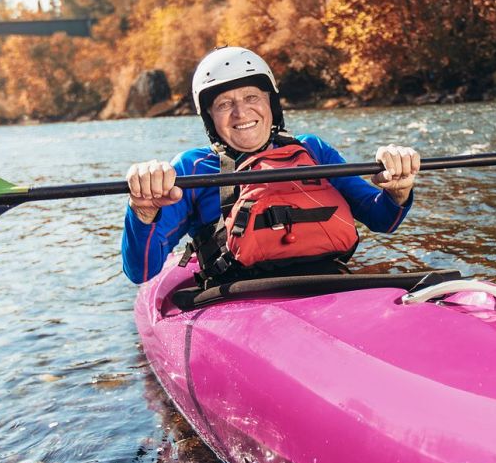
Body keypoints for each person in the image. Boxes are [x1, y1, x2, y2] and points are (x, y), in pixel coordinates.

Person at [121, 46, 420, 285]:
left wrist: (399, 191)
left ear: (271, 105)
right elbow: (142, 271)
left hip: (327, 284)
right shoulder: (193, 168)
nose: (241, 112)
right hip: (240, 300)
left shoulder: (312, 150)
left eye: (251, 97)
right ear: (210, 117)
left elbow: (384, 220)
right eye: (225, 104)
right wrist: (143, 212)